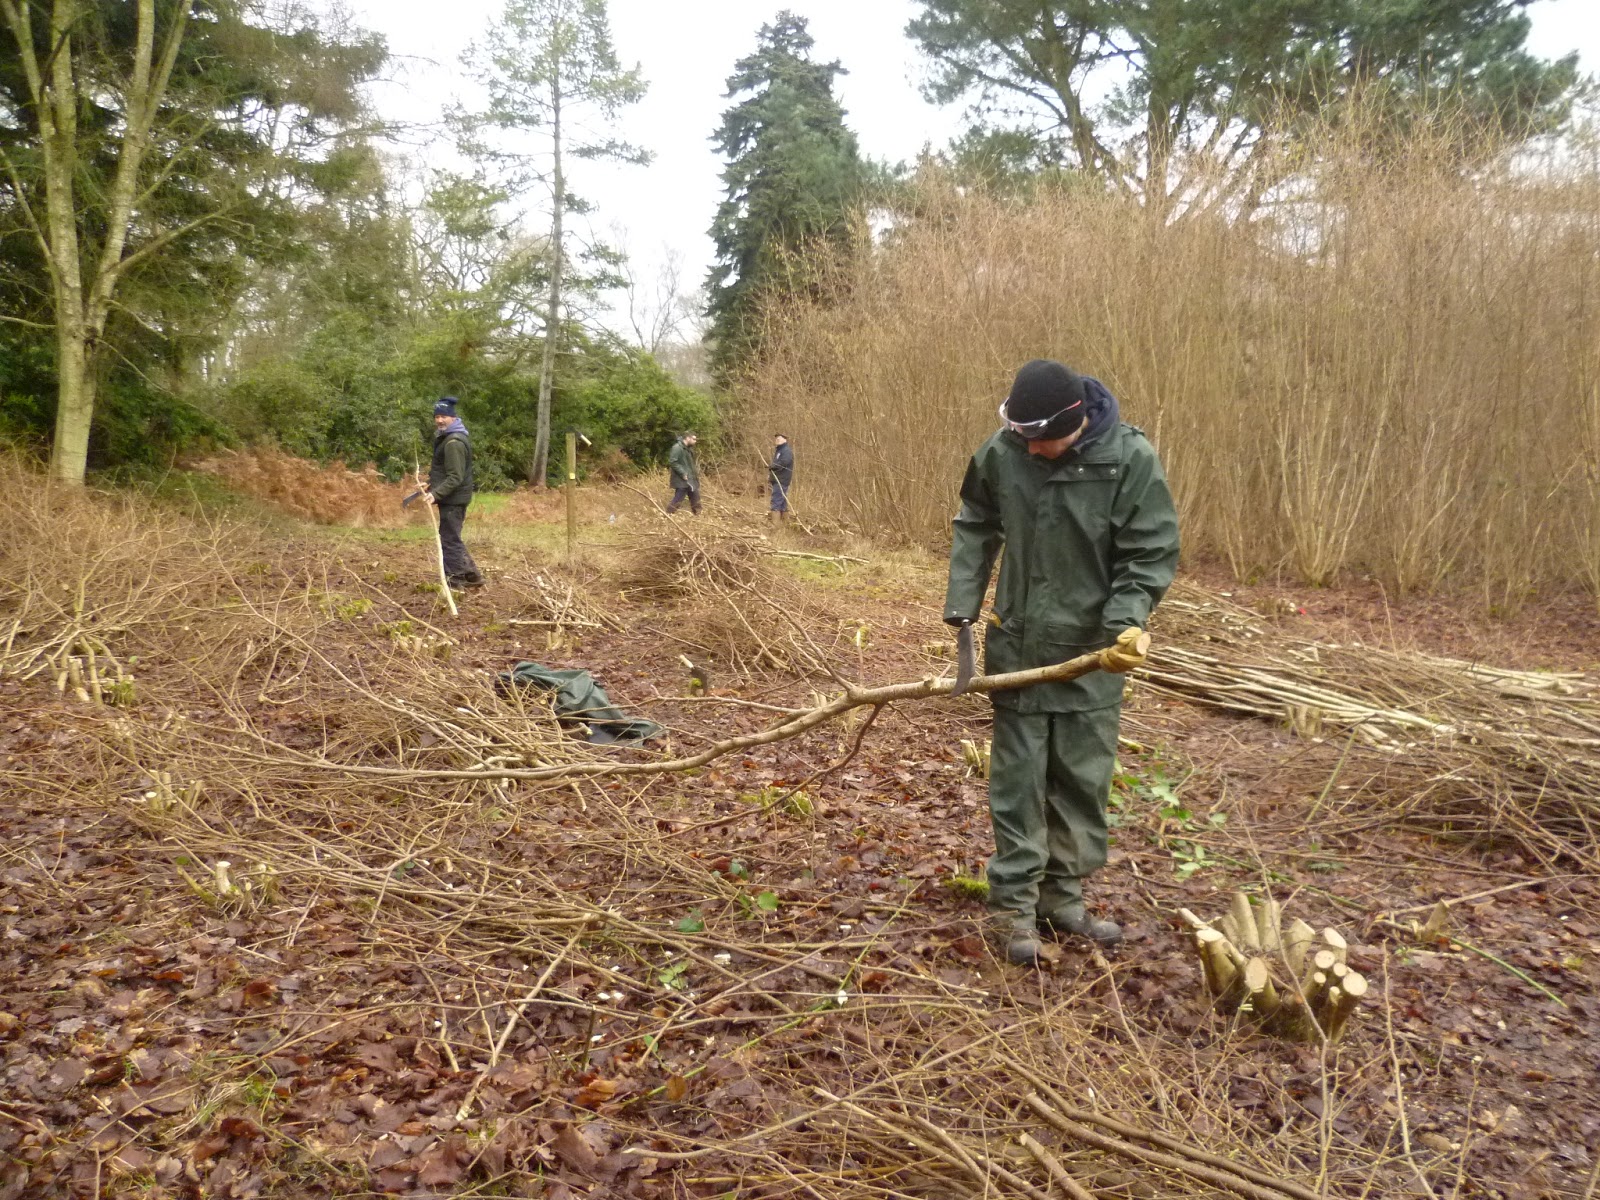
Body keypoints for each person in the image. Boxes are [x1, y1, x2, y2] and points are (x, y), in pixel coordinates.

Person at [944, 359, 1179, 965]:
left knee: (1081, 778)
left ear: (1073, 424)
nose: (1030, 447)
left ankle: (1062, 898)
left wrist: (1124, 626)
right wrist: (963, 604)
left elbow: (1148, 551)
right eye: (1021, 434)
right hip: (1018, 643)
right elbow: (975, 522)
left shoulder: (1128, 460)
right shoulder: (1004, 452)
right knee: (1018, 781)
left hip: (1094, 653)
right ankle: (1015, 906)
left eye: (1039, 437)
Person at [422, 396, 484, 588]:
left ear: (453, 417)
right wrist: (431, 484)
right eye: (437, 416)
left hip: (454, 499)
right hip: (452, 497)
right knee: (452, 537)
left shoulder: (453, 442)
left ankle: (455, 580)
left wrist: (436, 494)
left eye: (444, 417)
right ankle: (472, 576)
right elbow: (446, 472)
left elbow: (455, 476)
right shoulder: (448, 437)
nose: (440, 420)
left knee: (449, 540)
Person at [667, 431, 702, 515]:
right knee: (678, 499)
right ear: (688, 438)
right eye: (693, 439)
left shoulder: (688, 449)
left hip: (691, 479)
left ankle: (698, 515)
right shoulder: (677, 448)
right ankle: (668, 514)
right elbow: (673, 462)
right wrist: (683, 473)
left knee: (695, 497)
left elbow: (690, 465)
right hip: (682, 479)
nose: (695, 441)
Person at [768, 434, 794, 519]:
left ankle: (776, 527)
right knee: (782, 503)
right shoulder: (779, 451)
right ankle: (784, 526)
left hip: (781, 480)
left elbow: (784, 462)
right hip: (778, 479)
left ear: (785, 439)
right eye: (776, 438)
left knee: (776, 502)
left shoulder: (786, 451)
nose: (777, 439)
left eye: (780, 438)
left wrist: (773, 466)